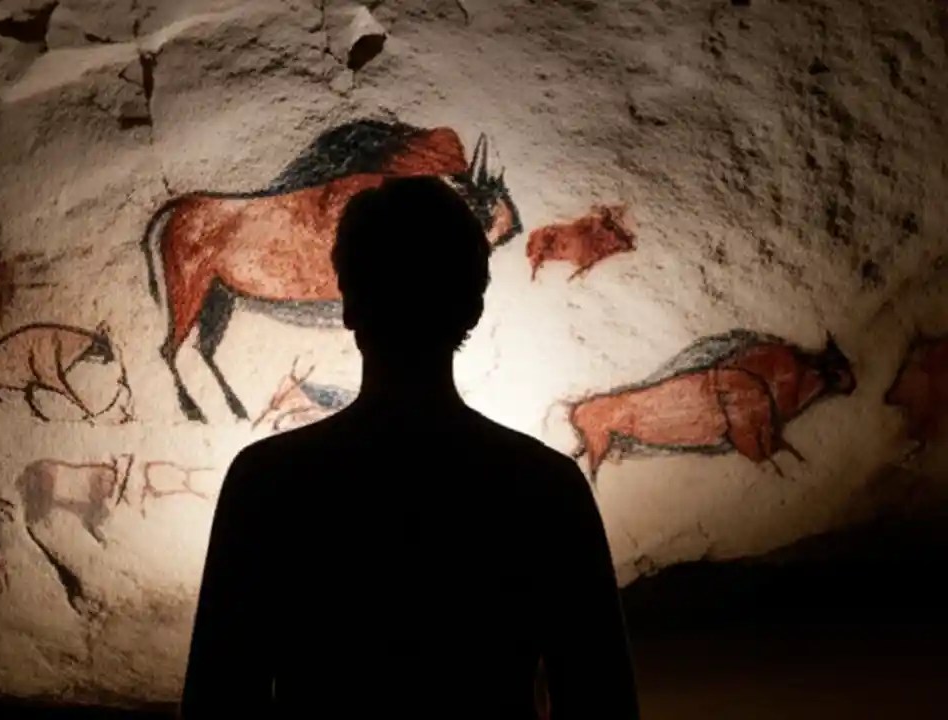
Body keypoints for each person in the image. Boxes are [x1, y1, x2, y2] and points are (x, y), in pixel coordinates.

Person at [179, 176, 640, 719]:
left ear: (349, 306)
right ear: (472, 308)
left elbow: (219, 697)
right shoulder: (547, 489)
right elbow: (601, 699)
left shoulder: (266, 482)